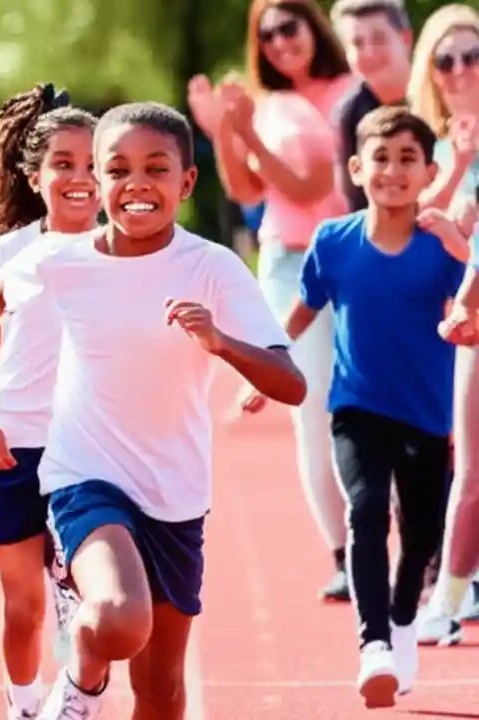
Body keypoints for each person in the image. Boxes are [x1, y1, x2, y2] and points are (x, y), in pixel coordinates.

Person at [0, 101, 306, 720]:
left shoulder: (212, 268)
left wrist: (223, 344)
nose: (136, 184)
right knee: (117, 619)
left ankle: (90, 662)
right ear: (102, 180)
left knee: (162, 691)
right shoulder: (63, 260)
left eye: (156, 169)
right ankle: (83, 675)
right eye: (117, 170)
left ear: (186, 182)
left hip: (175, 493)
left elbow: (292, 383)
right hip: (84, 478)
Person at [245, 106, 467, 706]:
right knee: (366, 509)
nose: (393, 171)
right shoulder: (333, 242)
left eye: (407, 160)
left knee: (421, 535)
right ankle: (372, 644)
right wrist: (266, 363)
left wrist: (463, 254)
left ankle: (400, 622)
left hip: (427, 412)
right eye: (381, 158)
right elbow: (303, 308)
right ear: (356, 167)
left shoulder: (442, 247)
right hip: (356, 406)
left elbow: (472, 296)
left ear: (427, 172)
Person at [0, 83, 98, 720]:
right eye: (64, 164)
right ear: (35, 176)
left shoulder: (124, 249)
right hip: (13, 442)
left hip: (89, 445)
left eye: (95, 165)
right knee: (21, 602)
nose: (82, 179)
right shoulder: (11, 252)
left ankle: (75, 696)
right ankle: (23, 704)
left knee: (89, 589)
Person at [194, 0, 357, 602]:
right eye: (267, 35)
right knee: (313, 415)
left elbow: (313, 182)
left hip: (355, 258)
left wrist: (246, 135)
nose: (280, 41)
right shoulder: (268, 106)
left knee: (379, 410)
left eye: (290, 27)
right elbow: (246, 190)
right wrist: (227, 133)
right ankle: (344, 553)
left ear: (314, 28)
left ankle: (417, 550)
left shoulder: (351, 91)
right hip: (289, 263)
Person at [406, 2, 479, 645]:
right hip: (461, 324)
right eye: (445, 59)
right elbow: (413, 225)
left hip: (466, 309)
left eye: (471, 55)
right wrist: (456, 164)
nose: (459, 69)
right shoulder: (428, 144)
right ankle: (446, 602)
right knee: (468, 470)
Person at [329, 0, 415, 211]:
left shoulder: (438, 90)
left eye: (379, 39)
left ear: (405, 38)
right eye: (357, 43)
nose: (369, 52)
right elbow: (356, 201)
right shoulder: (348, 115)